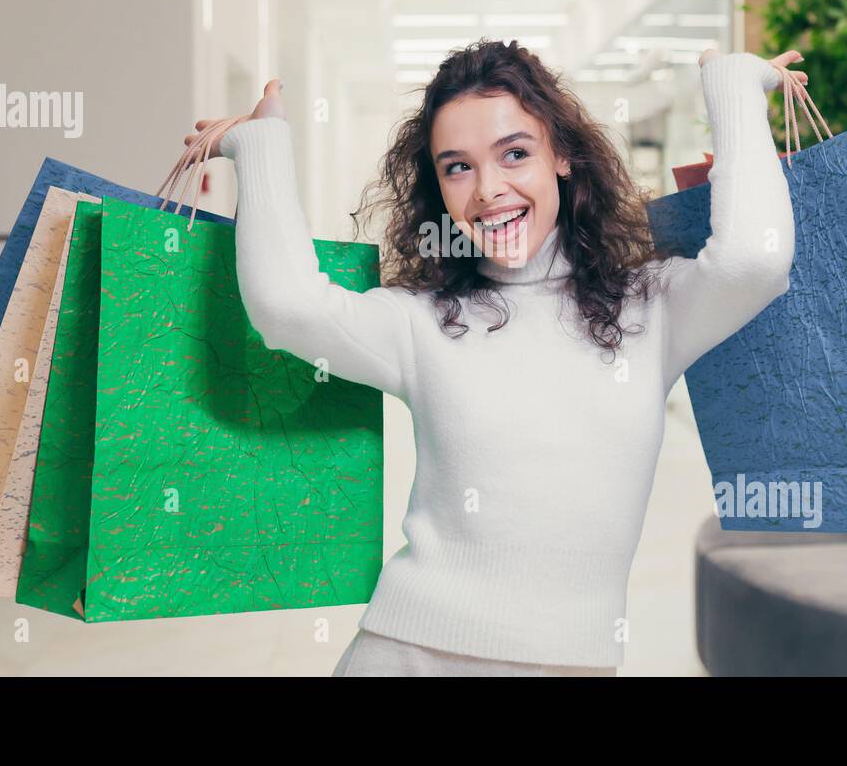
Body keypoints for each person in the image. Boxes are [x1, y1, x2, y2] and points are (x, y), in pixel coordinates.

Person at [188, 42, 802, 676]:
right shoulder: (421, 322)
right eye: (457, 167)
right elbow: (286, 308)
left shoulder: (651, 308)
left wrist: (731, 87)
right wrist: (262, 146)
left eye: (515, 153)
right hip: (405, 654)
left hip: (571, 660)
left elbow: (753, 260)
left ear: (562, 155)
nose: (488, 190)